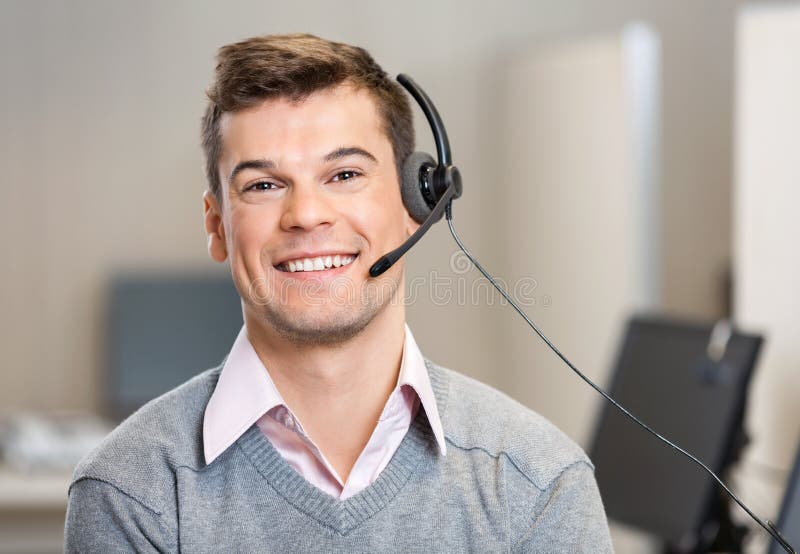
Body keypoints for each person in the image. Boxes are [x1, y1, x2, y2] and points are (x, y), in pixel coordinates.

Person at [64, 33, 613, 552]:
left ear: (417, 204)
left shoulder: (539, 484)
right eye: (263, 185)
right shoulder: (128, 492)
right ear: (217, 226)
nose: (305, 215)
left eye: (345, 175)